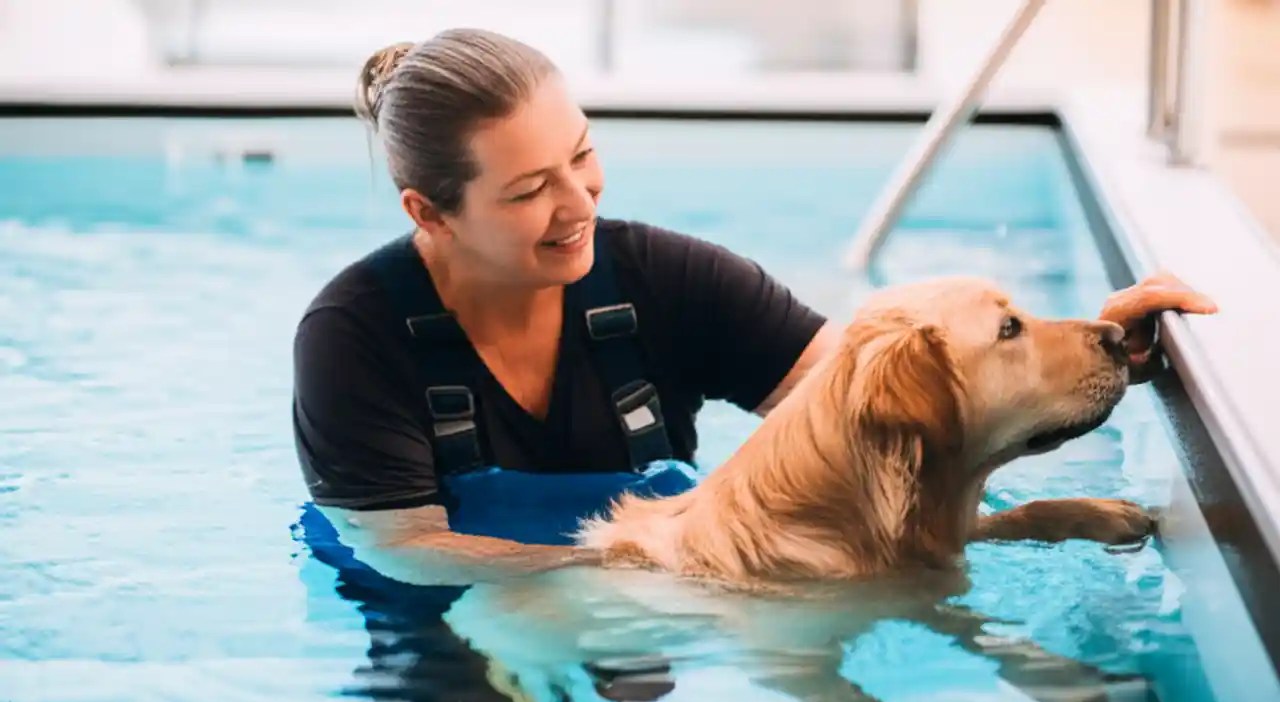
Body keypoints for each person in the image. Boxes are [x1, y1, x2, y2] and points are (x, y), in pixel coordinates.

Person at [291, 28, 1218, 579]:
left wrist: (1094, 356)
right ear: (430, 213)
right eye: (530, 188)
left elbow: (878, 416)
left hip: (665, 591)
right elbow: (406, 555)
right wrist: (650, 570)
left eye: (581, 155)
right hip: (440, 620)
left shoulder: (670, 280)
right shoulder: (353, 340)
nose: (579, 204)